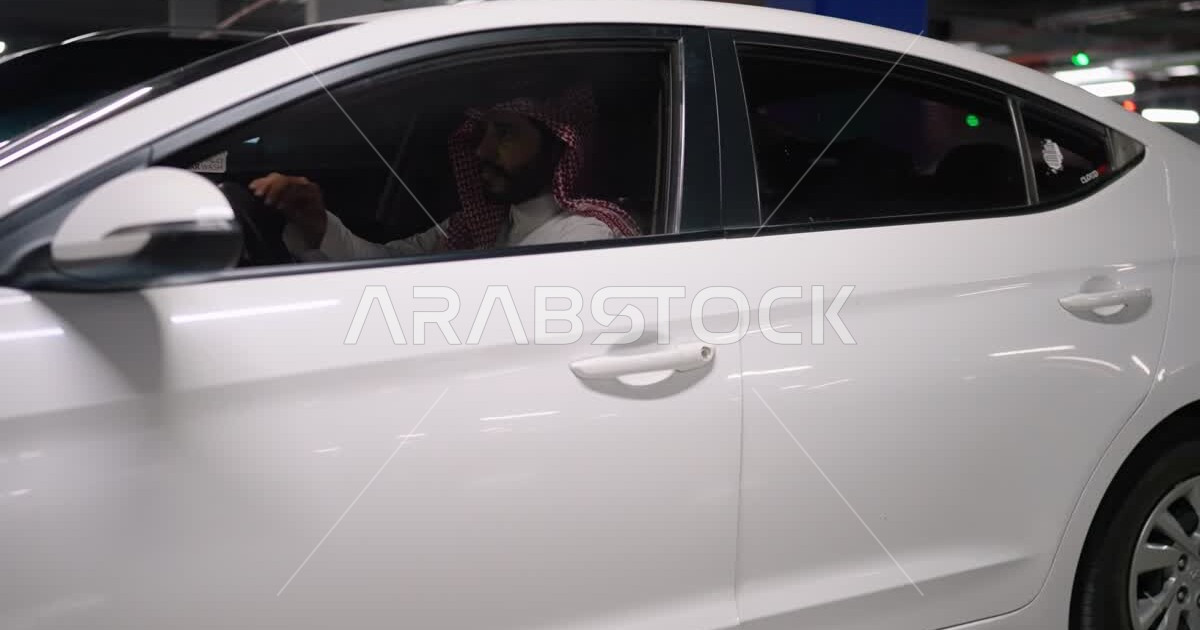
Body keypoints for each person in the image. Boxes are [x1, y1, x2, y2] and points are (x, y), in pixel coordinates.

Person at [249, 86, 640, 261]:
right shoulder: (477, 223)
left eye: (504, 133)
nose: (482, 150)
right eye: (482, 133)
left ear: (559, 146)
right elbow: (387, 261)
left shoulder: (588, 236)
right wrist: (316, 223)